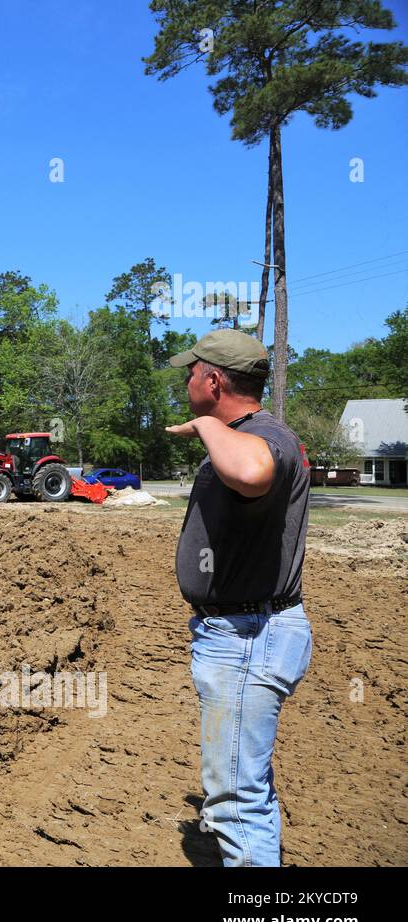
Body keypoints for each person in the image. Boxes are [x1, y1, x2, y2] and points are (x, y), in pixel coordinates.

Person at [165, 329, 312, 867]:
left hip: (248, 637)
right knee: (246, 784)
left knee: (234, 803)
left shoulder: (262, 436)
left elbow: (252, 472)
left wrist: (205, 425)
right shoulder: (258, 433)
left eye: (192, 372)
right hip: (246, 631)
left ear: (214, 379)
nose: (187, 381)